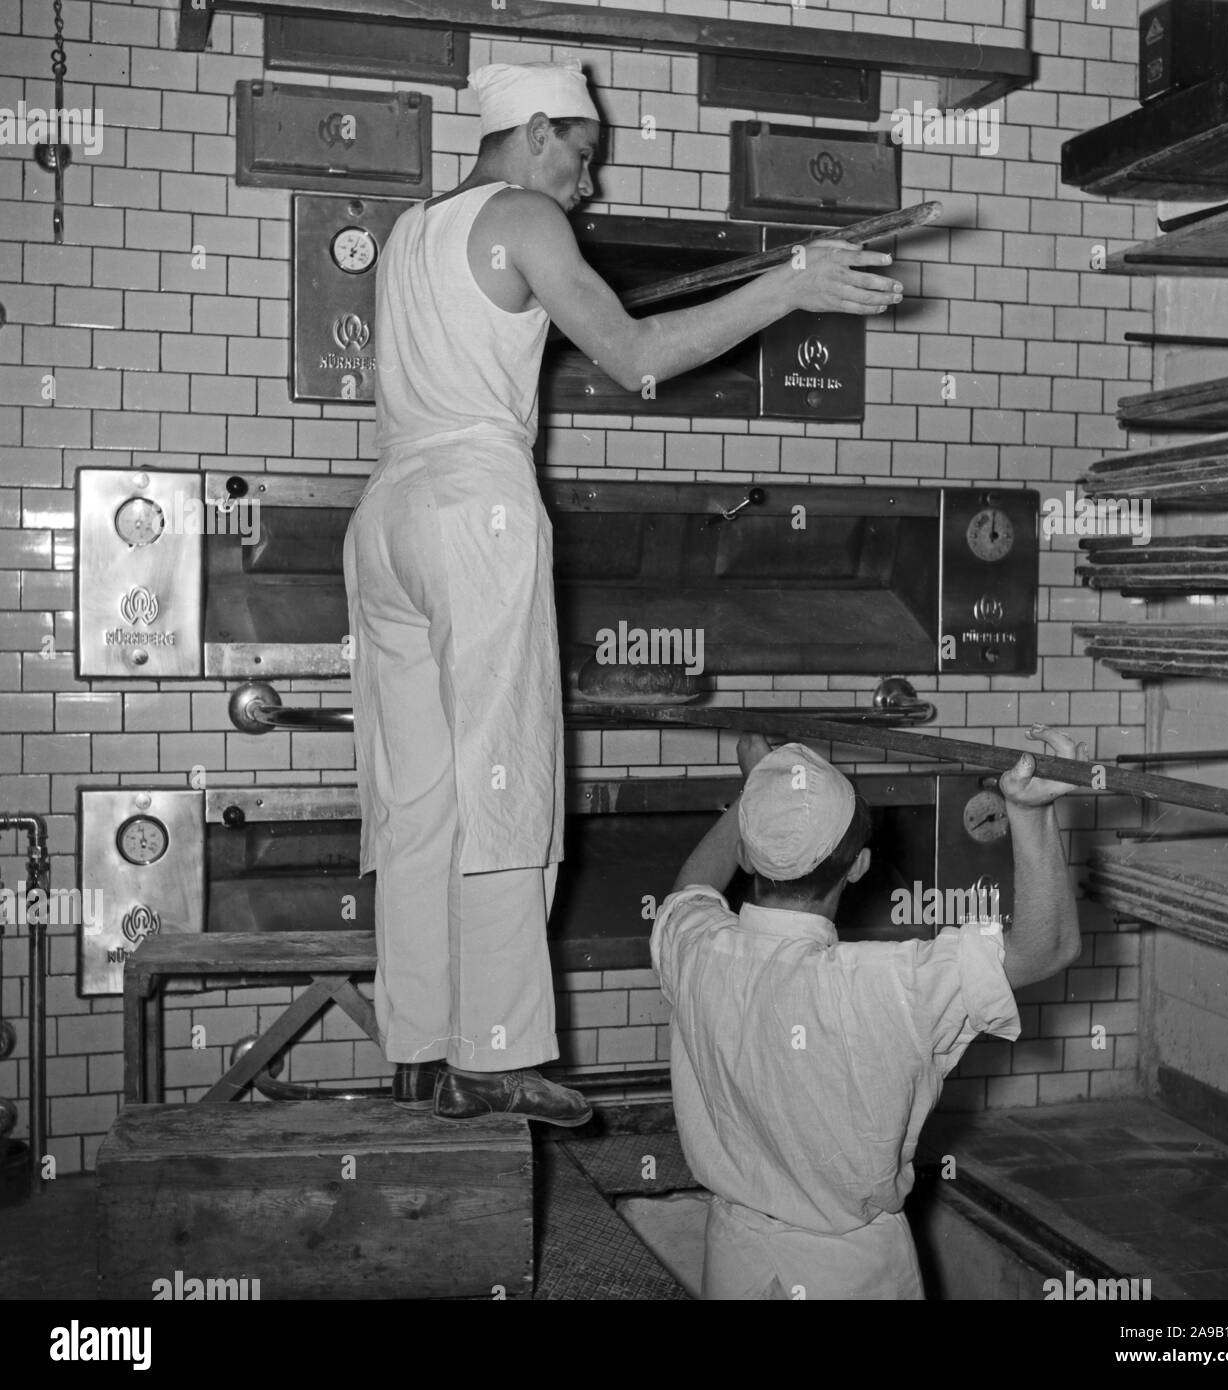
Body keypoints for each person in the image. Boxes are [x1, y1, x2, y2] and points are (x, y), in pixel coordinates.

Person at [343, 59, 906, 1126]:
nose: (588, 185)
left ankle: (416, 1044)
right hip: (474, 502)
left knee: (417, 802)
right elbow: (640, 355)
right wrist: (787, 285)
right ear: (535, 132)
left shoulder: (412, 230)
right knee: (503, 779)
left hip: (386, 519)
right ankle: (495, 1050)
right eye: (582, 155)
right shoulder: (521, 215)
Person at [651, 725, 1083, 1298]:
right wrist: (1028, 812)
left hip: (735, 1260)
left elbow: (692, 887)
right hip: (850, 1273)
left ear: (744, 853)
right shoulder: (885, 984)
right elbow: (1046, 948)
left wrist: (760, 786)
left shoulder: (698, 949)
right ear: (859, 867)